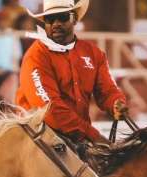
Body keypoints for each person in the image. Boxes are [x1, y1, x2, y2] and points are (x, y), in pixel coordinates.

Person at [16, 0, 127, 147]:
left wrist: (116, 103)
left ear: (74, 19)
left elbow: (107, 91)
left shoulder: (93, 53)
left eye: (62, 17)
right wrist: (94, 136)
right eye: (50, 19)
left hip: (77, 138)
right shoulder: (35, 56)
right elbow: (50, 110)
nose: (56, 23)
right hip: (37, 137)